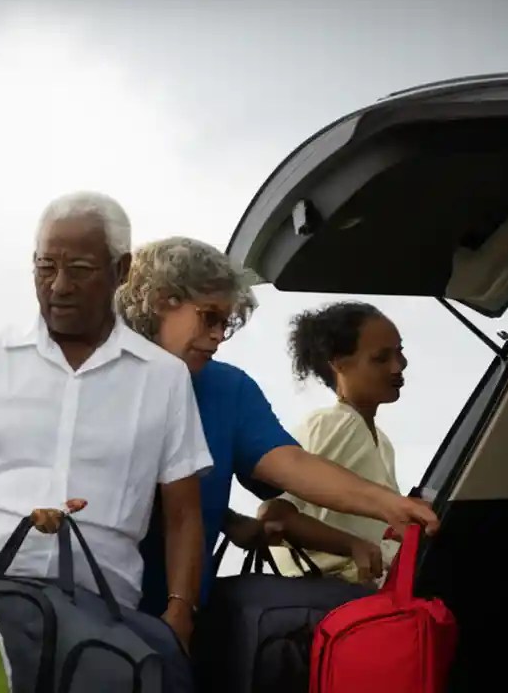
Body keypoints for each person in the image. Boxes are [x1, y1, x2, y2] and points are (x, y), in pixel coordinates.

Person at [0, 192, 214, 658]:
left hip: (103, 618)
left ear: (120, 271)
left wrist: (180, 612)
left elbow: (182, 514)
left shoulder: (163, 378)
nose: (58, 286)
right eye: (45, 267)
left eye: (79, 269)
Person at [111, 237, 439, 617]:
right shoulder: (89, 381)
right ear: (161, 301)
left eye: (227, 323)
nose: (219, 334)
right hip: (83, 610)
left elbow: (291, 464)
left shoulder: (228, 389)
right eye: (210, 317)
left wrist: (389, 505)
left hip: (178, 622)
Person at [269, 301, 410, 583]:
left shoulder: (382, 441)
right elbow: (275, 516)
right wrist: (352, 546)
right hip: (333, 601)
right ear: (339, 364)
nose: (399, 365)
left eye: (400, 352)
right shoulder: (332, 425)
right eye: (382, 358)